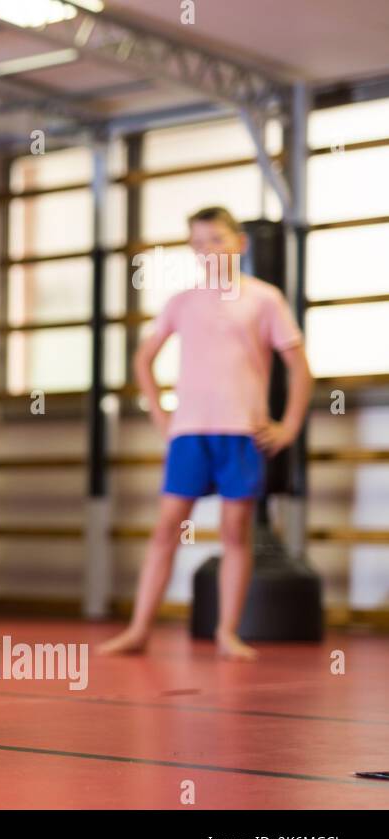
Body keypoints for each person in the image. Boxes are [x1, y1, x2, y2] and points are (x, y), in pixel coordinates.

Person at [99, 206, 313, 661]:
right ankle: (138, 631)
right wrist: (160, 414)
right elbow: (144, 359)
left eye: (216, 239)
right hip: (190, 433)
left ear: (240, 243)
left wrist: (289, 425)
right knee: (165, 530)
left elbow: (300, 368)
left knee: (235, 534)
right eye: (198, 244)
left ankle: (227, 632)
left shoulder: (264, 298)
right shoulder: (182, 301)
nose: (207, 250)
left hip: (241, 432)